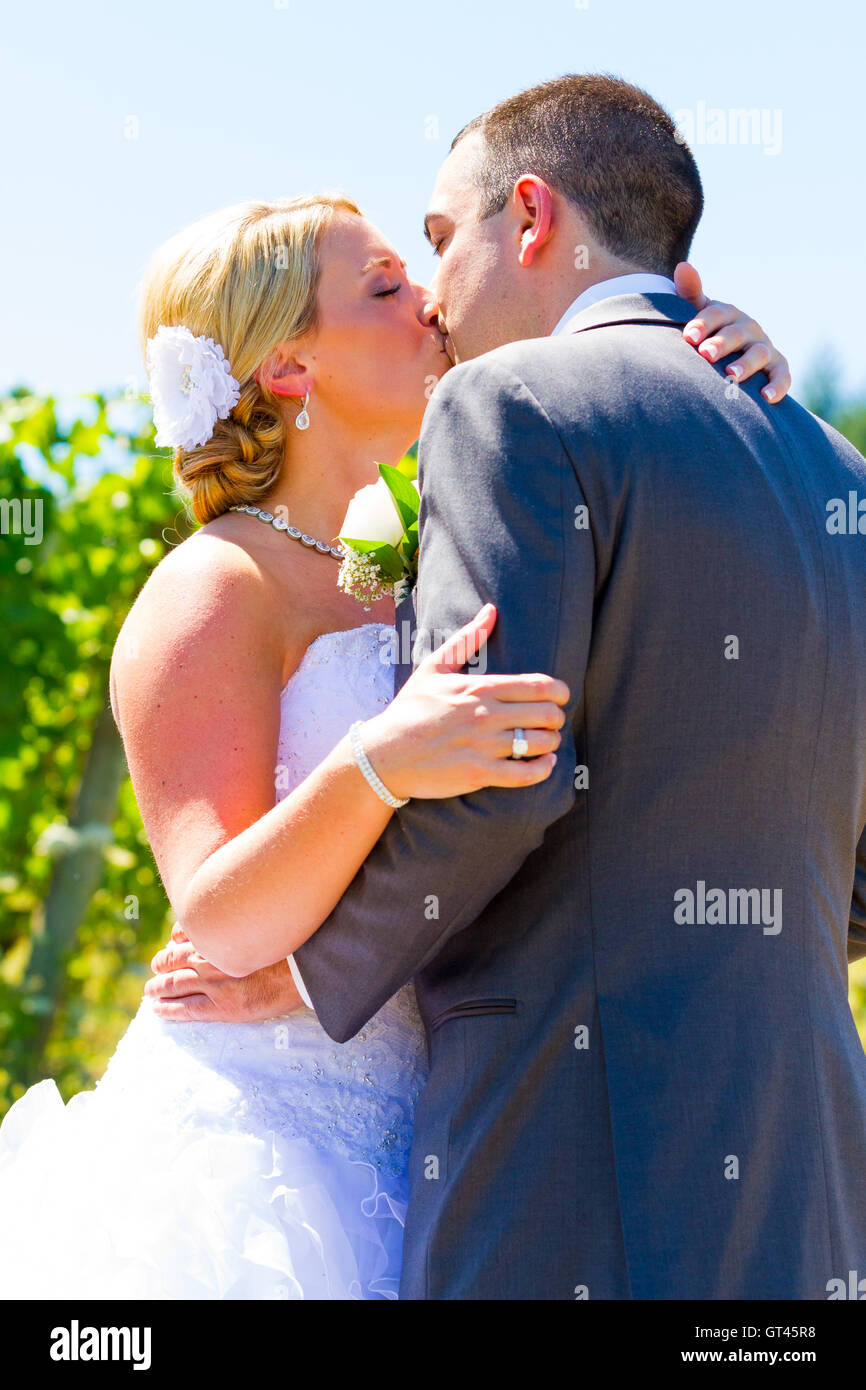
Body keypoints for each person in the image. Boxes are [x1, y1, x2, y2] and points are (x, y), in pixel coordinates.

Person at [0, 144, 792, 1298]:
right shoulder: (215, 586)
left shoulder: (420, 557)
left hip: (431, 1147)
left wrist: (709, 360)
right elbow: (216, 921)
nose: (427, 297)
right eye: (382, 288)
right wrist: (378, 759)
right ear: (285, 368)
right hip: (261, 1165)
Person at [158, 75, 866, 1300]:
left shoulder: (513, 408)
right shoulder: (828, 465)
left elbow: (500, 775)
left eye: (432, 243)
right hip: (804, 1180)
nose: (428, 294)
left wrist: (313, 972)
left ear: (527, 218)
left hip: (567, 1160)